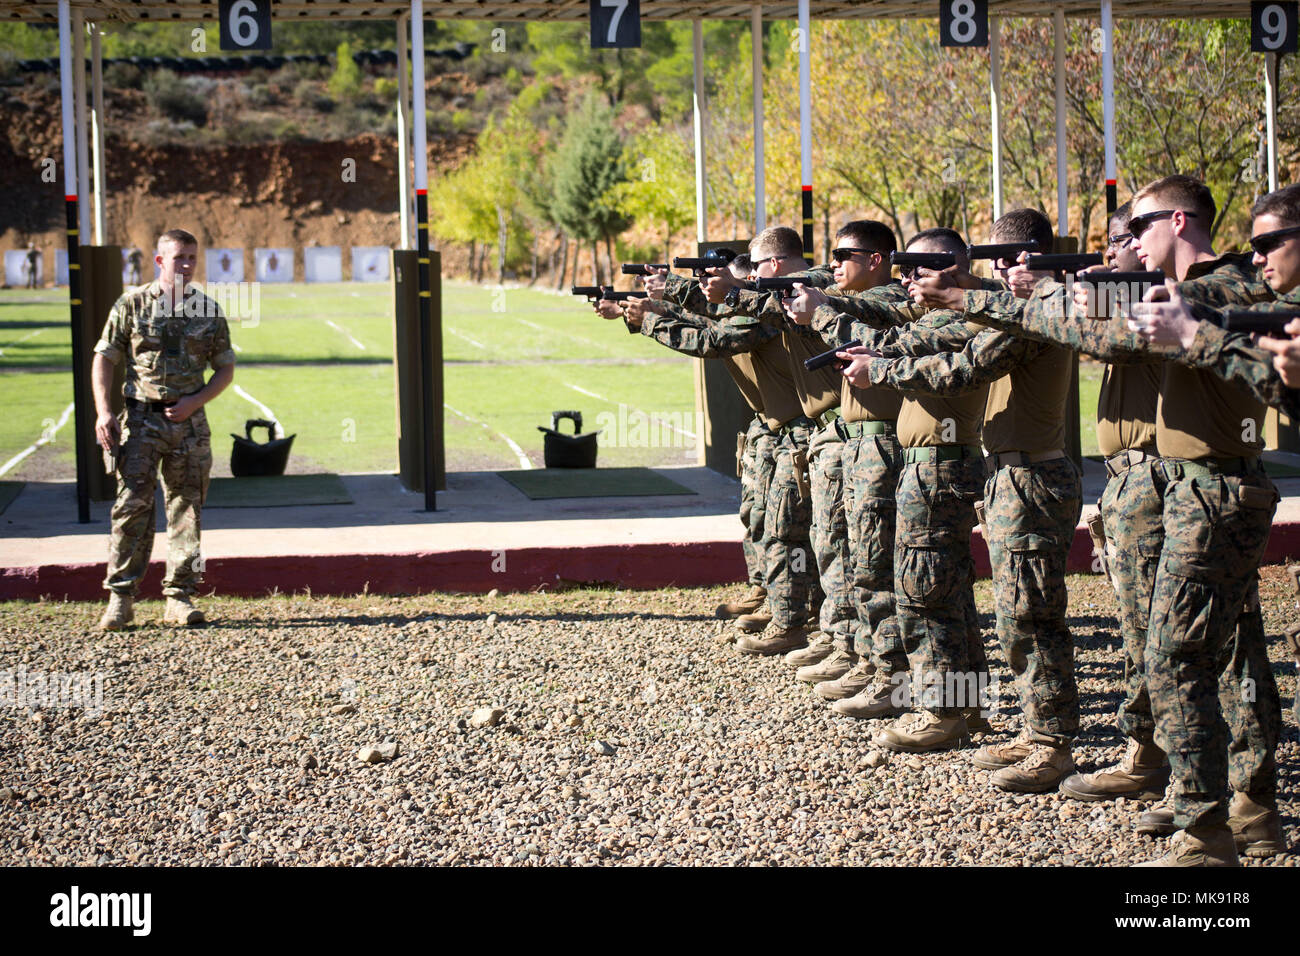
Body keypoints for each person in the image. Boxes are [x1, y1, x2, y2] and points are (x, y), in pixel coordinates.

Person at [93, 229, 235, 630]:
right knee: (131, 508)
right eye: (179, 258)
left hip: (189, 424)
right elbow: (104, 358)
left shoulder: (207, 311)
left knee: (187, 509)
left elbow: (225, 366)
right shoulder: (131, 305)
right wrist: (105, 412)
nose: (187, 265)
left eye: (192, 257)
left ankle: (180, 597)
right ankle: (120, 598)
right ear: (160, 261)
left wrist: (195, 401)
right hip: (140, 420)